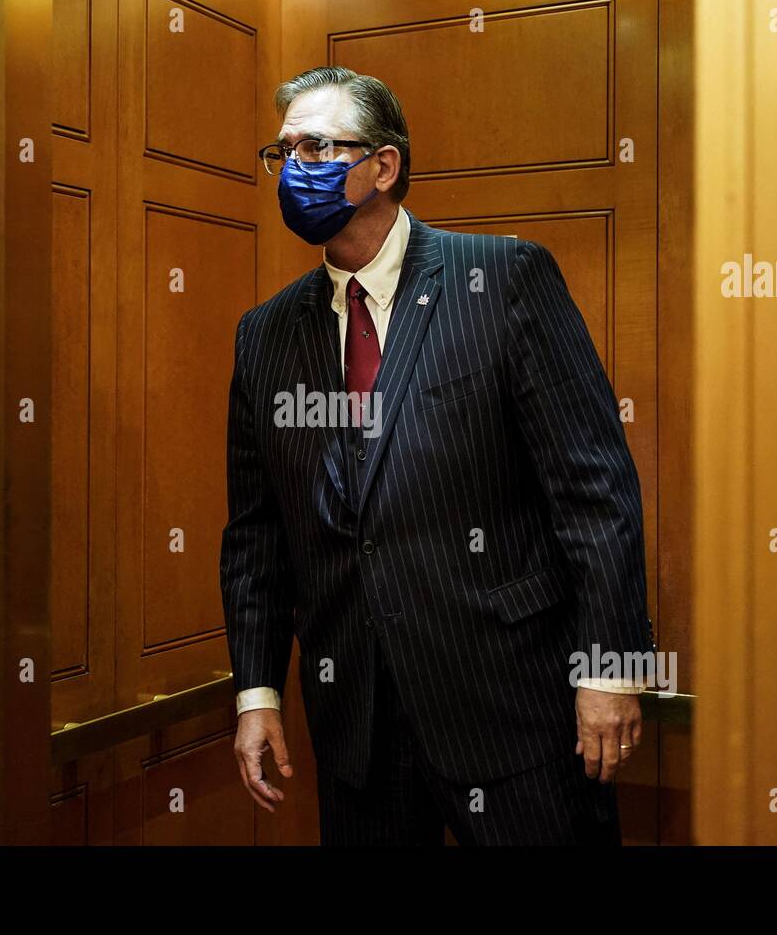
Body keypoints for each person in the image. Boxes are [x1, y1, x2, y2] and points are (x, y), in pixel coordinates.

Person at [221, 66, 656, 845]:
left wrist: (609, 667)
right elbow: (256, 535)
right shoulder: (266, 334)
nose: (293, 171)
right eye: (281, 153)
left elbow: (595, 490)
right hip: (357, 723)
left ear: (383, 165)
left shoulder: (504, 278)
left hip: (513, 709)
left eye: (316, 148)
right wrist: (257, 690)